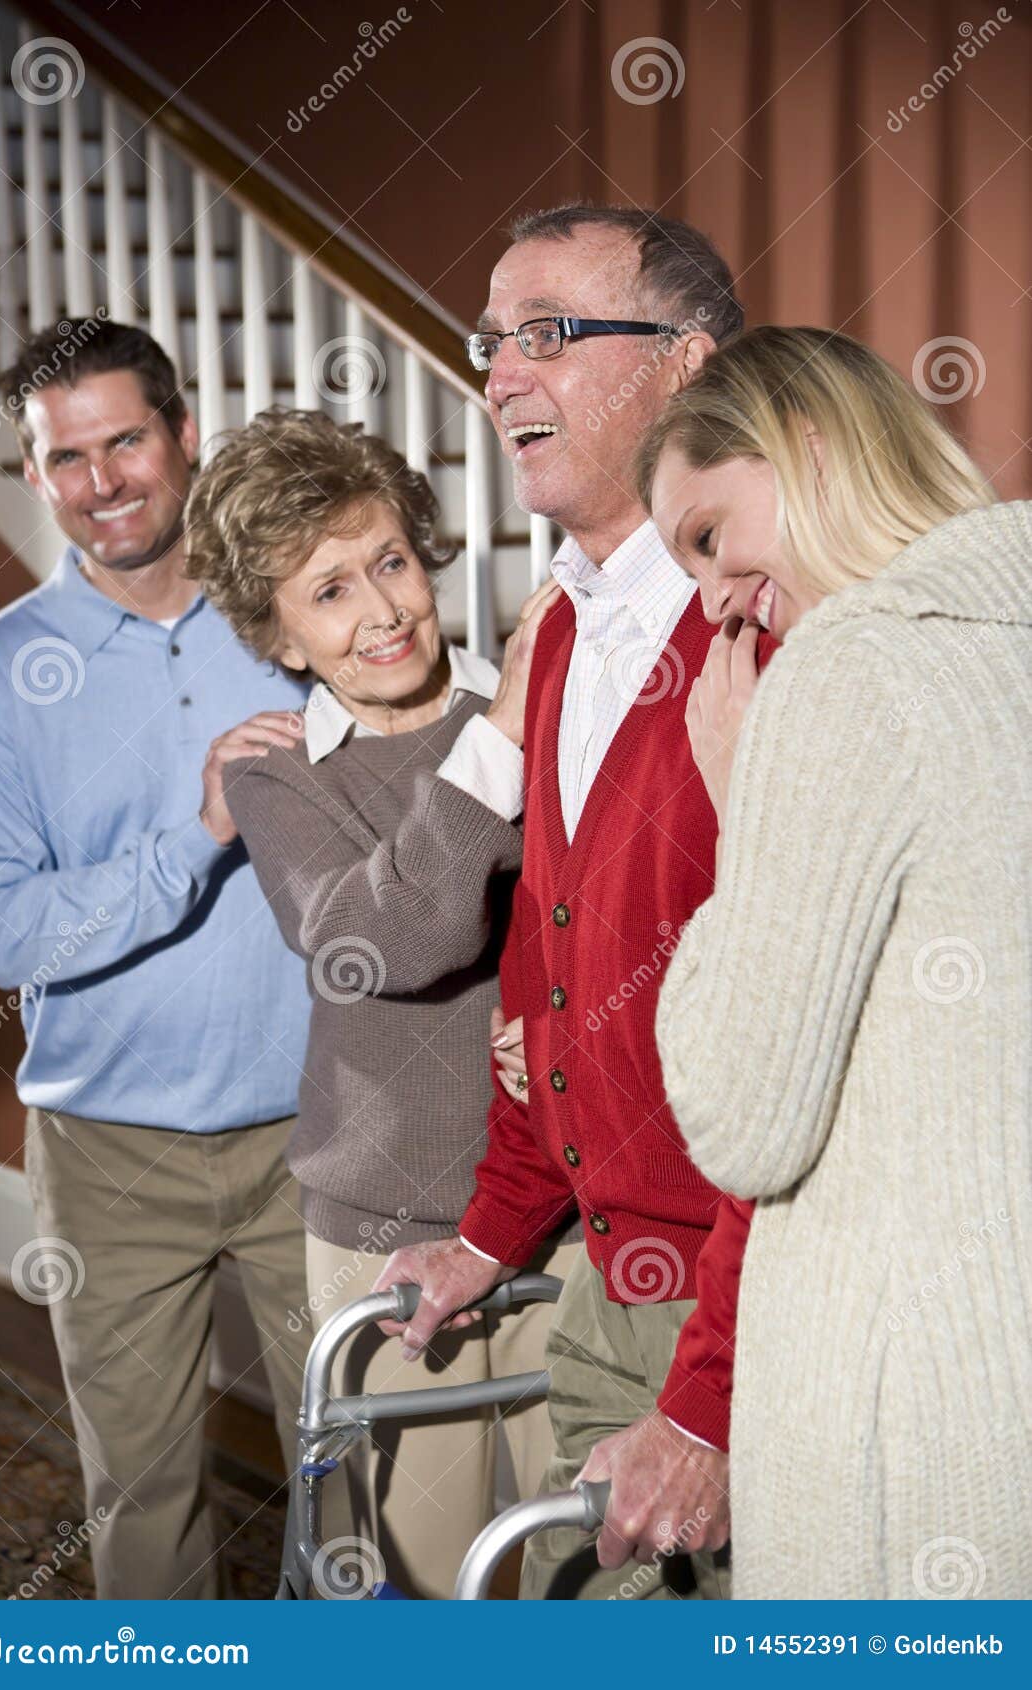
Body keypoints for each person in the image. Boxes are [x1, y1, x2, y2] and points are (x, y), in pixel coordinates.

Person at [375, 203, 766, 1598]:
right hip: (609, 1289)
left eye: (548, 333)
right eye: (491, 342)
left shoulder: (757, 626)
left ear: (683, 362)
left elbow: (801, 1063)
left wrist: (712, 1398)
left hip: (745, 1320)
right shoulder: (560, 623)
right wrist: (492, 1225)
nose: (498, 375)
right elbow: (555, 980)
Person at [646, 324, 1031, 1599]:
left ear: (807, 447)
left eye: (707, 534)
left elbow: (742, 1121)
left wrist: (739, 800)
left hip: (899, 1430)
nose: (708, 595)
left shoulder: (846, 673)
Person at [183, 408, 581, 1599]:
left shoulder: (538, 716)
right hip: (384, 1232)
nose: (382, 612)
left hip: (566, 1218)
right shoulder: (271, 770)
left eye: (390, 563)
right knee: (417, 1573)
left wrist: (512, 723)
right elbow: (380, 938)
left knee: (566, 1565)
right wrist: (504, 735)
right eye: (329, 593)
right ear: (282, 639)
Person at [0, 321, 315, 1599]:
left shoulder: (293, 613)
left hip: (316, 1132)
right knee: (144, 1496)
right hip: (108, 1152)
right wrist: (196, 838)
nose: (103, 480)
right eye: (67, 457)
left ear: (181, 438)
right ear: (37, 475)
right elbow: (2, 932)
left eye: (125, 441)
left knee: (355, 1472)